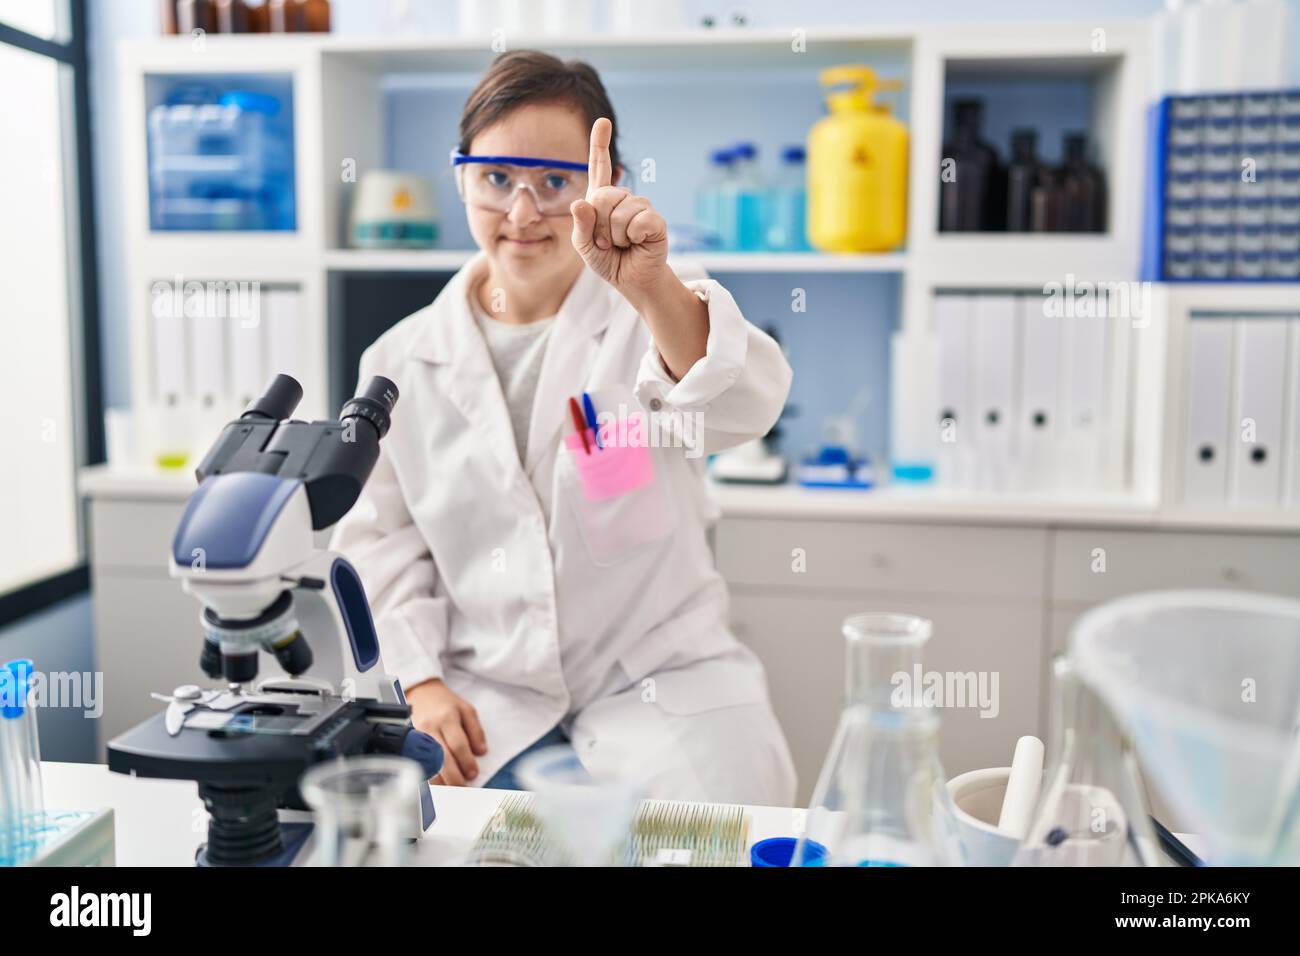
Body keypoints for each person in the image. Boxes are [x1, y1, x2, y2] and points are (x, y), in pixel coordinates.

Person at [331, 50, 795, 805]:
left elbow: (744, 406)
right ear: (460, 177)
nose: (522, 213)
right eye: (496, 179)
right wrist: (420, 684)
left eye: (554, 182)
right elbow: (380, 541)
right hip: (490, 700)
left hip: (657, 680)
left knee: (704, 843)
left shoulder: (643, 314)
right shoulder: (399, 361)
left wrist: (653, 288)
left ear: (602, 184)